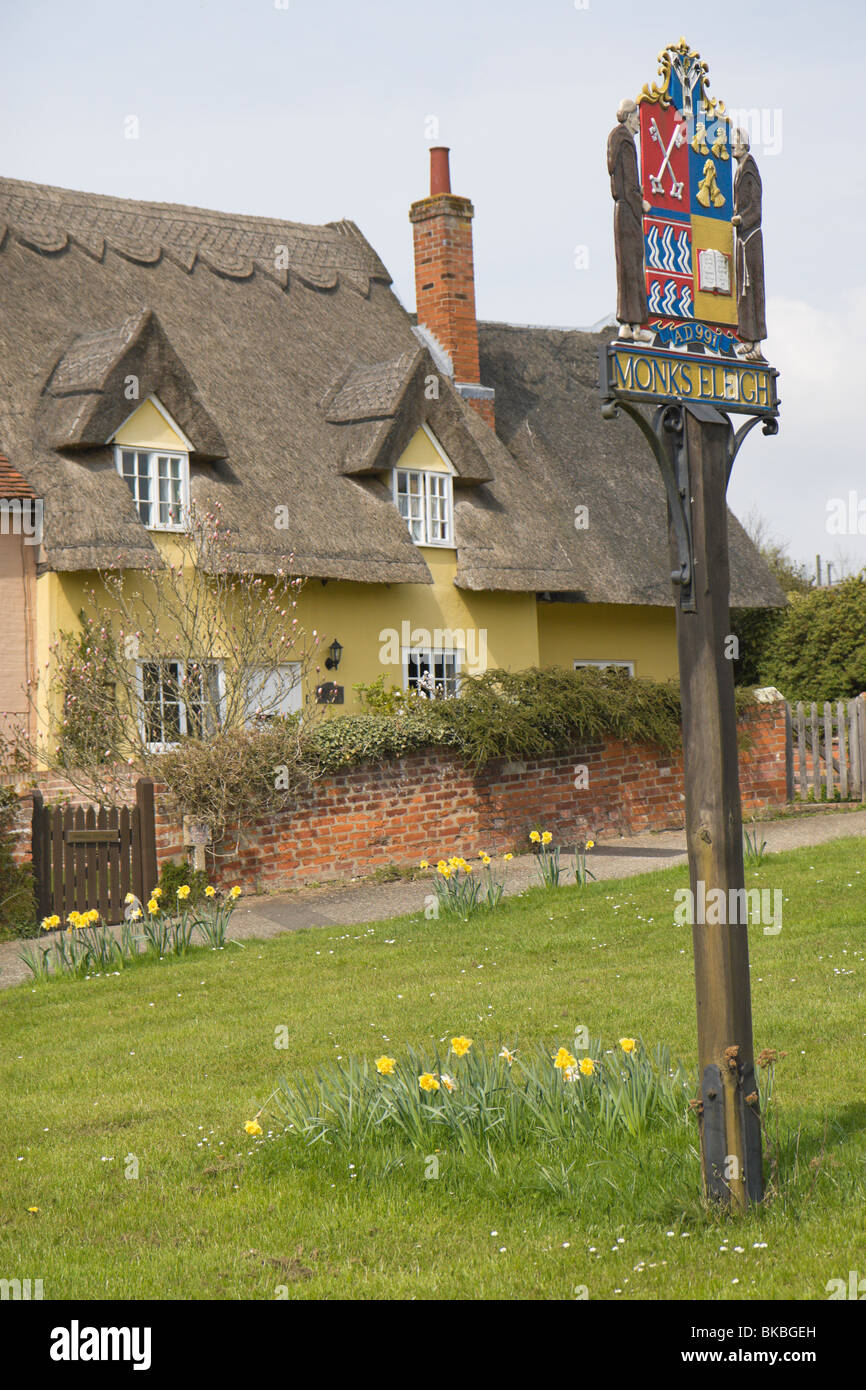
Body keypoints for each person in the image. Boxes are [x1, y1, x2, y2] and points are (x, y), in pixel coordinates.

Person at [607, 99, 653, 342]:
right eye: (636, 116)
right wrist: (640, 202)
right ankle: (628, 323)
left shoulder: (622, 140)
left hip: (626, 208)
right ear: (628, 116)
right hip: (628, 211)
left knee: (632, 264)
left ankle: (635, 324)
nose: (639, 121)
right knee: (630, 266)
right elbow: (626, 184)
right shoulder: (624, 141)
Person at [731, 128, 767, 359]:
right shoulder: (739, 171)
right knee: (743, 291)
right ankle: (746, 338)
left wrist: (741, 219)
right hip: (742, 237)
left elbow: (756, 209)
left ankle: (757, 344)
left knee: (753, 288)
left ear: (744, 146)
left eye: (735, 142)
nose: (732, 146)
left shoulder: (750, 172)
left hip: (750, 237)